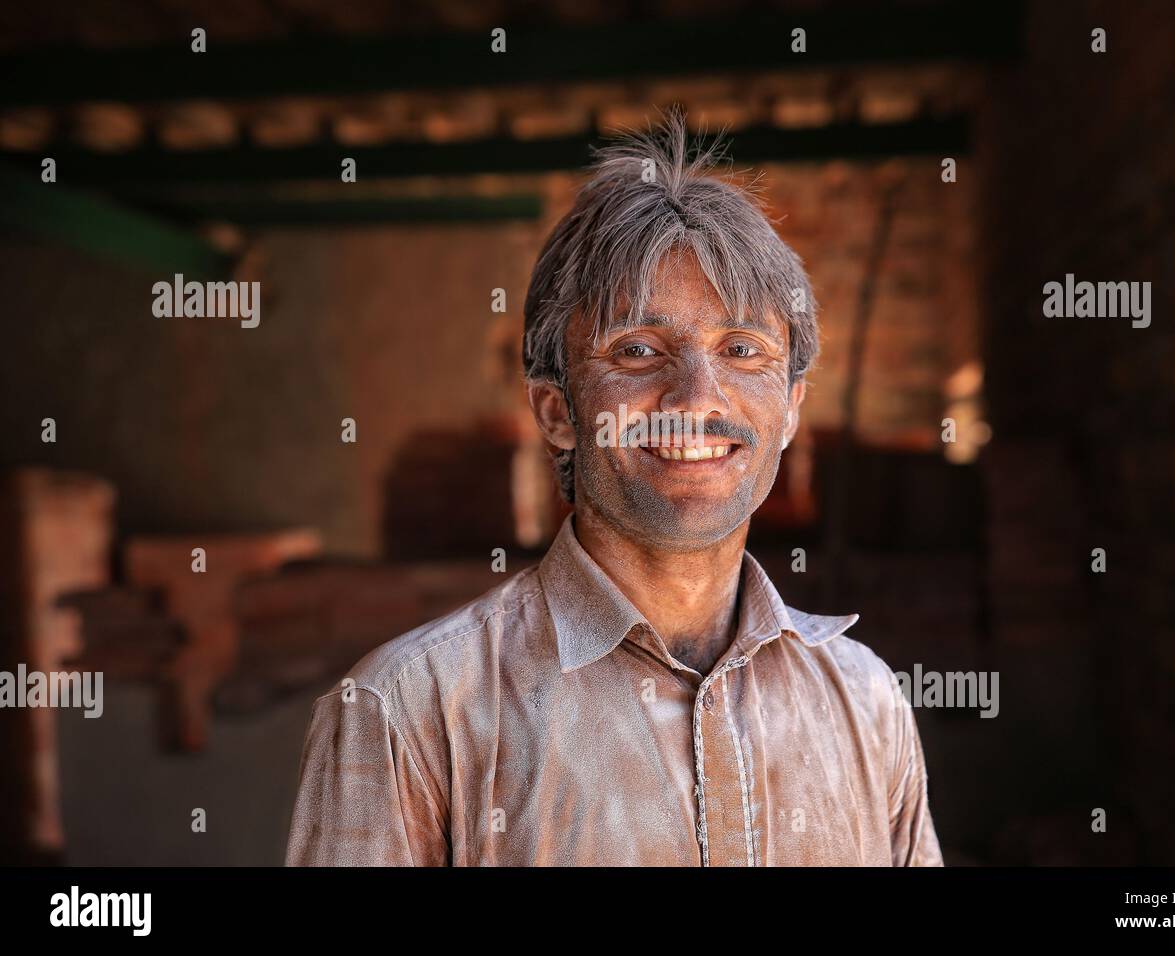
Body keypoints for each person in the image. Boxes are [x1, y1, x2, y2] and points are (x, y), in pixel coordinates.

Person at [286, 112, 942, 866]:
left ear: (792, 408)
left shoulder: (866, 700)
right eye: (637, 350)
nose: (698, 396)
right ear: (558, 412)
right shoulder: (408, 712)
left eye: (742, 349)